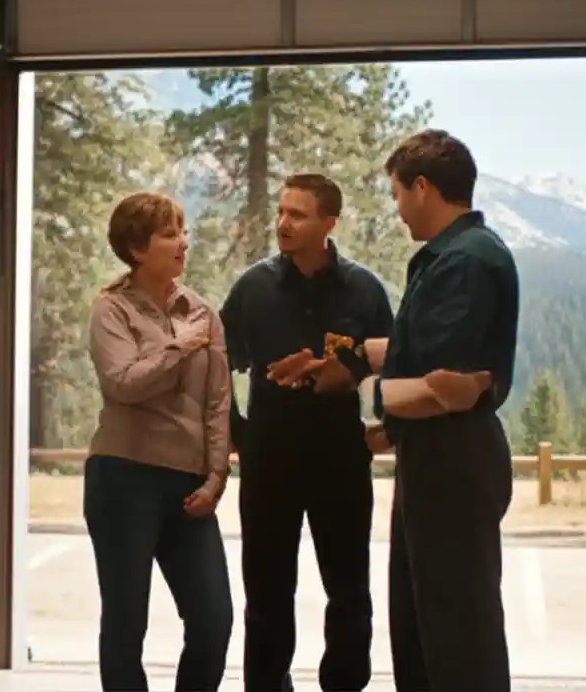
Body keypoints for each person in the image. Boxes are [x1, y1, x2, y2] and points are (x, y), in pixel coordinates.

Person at [270, 130, 519, 692]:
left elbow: (445, 384)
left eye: (399, 194)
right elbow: (416, 352)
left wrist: (382, 402)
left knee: (455, 633)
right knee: (421, 624)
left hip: (451, 463)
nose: (398, 208)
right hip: (432, 459)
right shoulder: (451, 256)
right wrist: (347, 360)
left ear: (424, 188)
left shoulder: (465, 263)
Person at [219, 173, 394, 692]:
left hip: (341, 459)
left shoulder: (364, 289)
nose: (283, 224)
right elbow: (217, 365)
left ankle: (344, 684)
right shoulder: (253, 288)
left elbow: (395, 360)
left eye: (297, 214)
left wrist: (386, 429)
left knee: (349, 592)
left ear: (329, 222)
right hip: (268, 460)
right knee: (268, 595)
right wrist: (234, 432)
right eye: (281, 212)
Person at [84, 191, 234, 692]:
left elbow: (218, 402)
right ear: (136, 248)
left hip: (190, 486)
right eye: (170, 233)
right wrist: (179, 347)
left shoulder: (203, 314)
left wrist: (216, 476)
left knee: (214, 620)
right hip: (123, 477)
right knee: (128, 623)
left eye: (182, 231)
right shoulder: (112, 310)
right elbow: (122, 383)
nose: (183, 243)